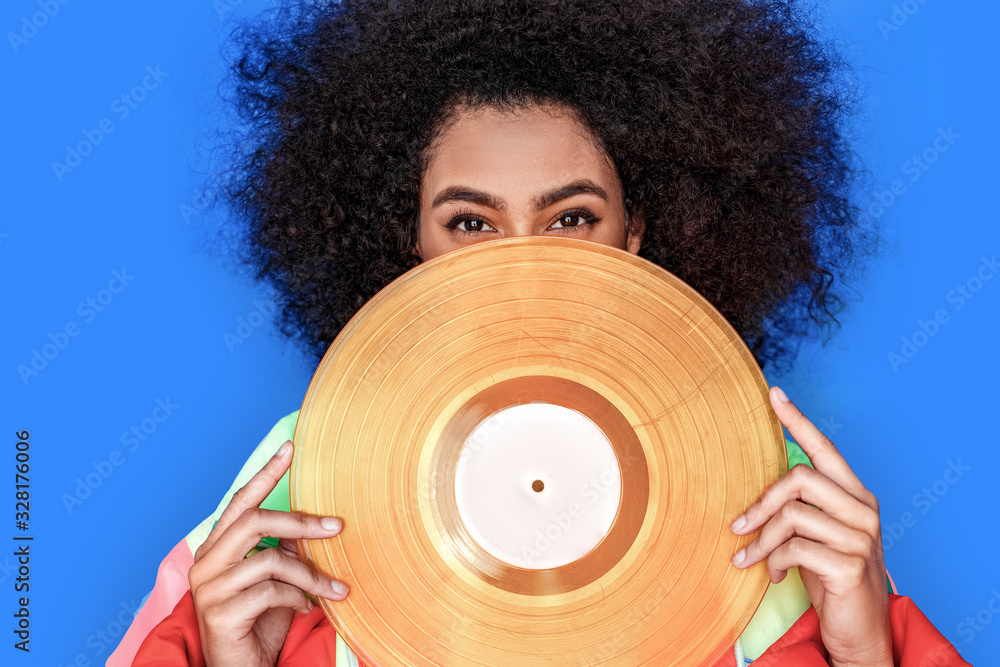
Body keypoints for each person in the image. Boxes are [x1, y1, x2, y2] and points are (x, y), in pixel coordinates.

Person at [111, 0, 971, 664]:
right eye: (471, 224)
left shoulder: (769, 480)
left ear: (634, 232)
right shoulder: (292, 479)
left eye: (569, 217)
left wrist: (865, 645)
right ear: (410, 243)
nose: (521, 270)